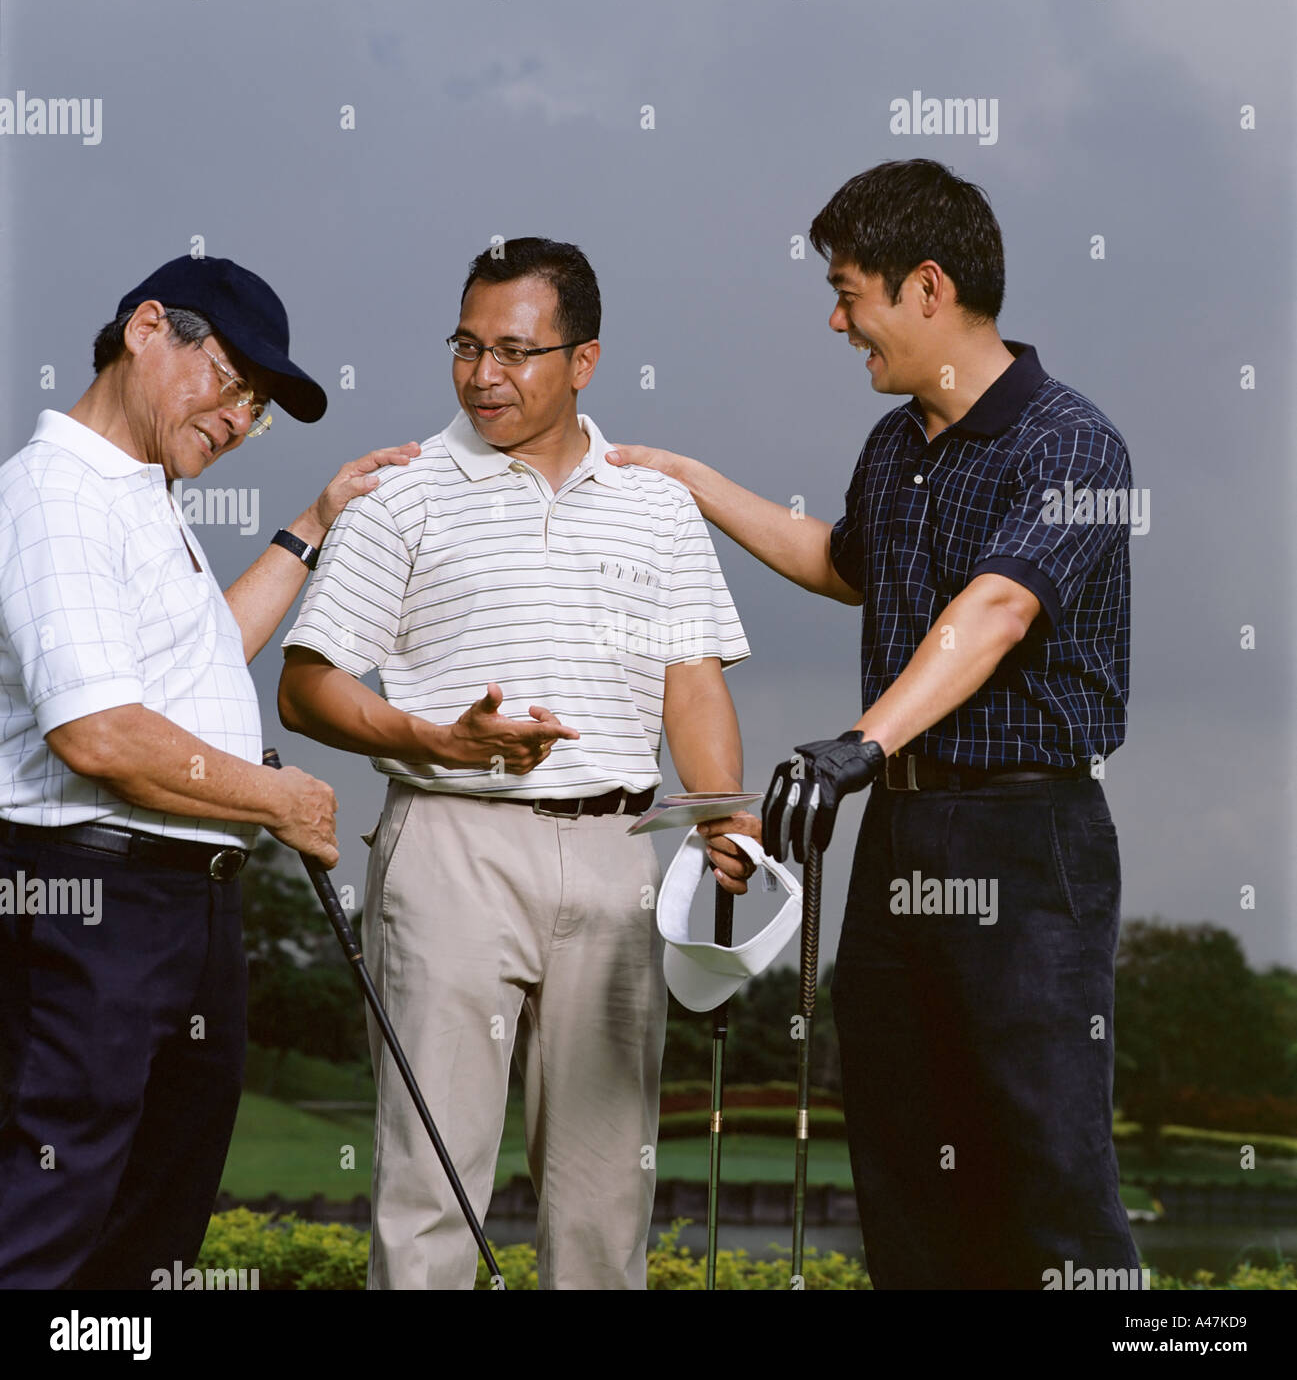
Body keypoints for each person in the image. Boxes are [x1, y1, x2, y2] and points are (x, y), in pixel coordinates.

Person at [608, 160, 1141, 1289]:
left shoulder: (1072, 444)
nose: (837, 316)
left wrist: (858, 742)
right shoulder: (898, 446)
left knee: (1045, 1159)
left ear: (928, 287)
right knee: (904, 1158)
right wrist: (685, 477)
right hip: (897, 837)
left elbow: (992, 611)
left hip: (1025, 841)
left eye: (849, 290)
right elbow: (843, 565)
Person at [278, 237, 759, 1290]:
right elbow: (304, 688)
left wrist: (725, 812)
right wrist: (432, 736)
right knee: (432, 1192)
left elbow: (692, 680)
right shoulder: (400, 493)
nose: (482, 374)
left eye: (513, 351)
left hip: (619, 853)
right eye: (465, 345)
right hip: (452, 846)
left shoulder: (657, 503)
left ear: (583, 360)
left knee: (603, 1204)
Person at [0, 254, 418, 1289]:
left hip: (178, 904)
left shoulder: (140, 496)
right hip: (89, 894)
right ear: (148, 328)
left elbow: (192, 667)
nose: (236, 421)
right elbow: (98, 733)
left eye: (257, 410)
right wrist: (281, 795)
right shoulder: (61, 496)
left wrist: (312, 525)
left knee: (151, 1222)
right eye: (231, 383)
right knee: (57, 1209)